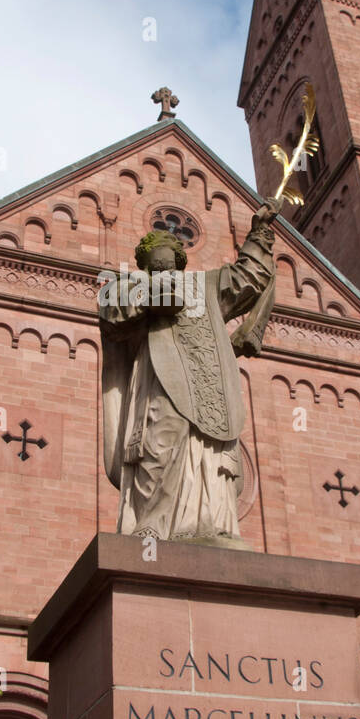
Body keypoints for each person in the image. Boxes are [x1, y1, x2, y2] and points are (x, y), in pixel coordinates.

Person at [99, 200, 279, 546]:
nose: (165, 253)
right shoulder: (129, 283)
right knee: (159, 443)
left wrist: (259, 232)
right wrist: (151, 295)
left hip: (207, 386)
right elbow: (111, 307)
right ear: (145, 261)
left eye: (170, 250)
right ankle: (151, 523)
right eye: (156, 251)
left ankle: (204, 524)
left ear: (181, 260)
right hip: (160, 384)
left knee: (208, 453)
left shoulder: (205, 286)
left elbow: (249, 278)